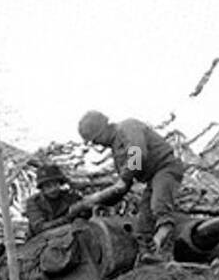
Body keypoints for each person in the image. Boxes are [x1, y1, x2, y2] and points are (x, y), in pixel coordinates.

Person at [77, 110, 186, 263]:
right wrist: (100, 201)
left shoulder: (128, 127)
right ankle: (149, 256)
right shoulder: (116, 150)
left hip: (165, 168)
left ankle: (164, 250)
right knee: (143, 224)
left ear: (102, 130)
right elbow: (123, 187)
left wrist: (124, 178)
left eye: (95, 140)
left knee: (160, 208)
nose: (97, 144)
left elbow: (138, 153)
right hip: (151, 179)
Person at [23, 162, 83, 238]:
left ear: (59, 184)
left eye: (55, 184)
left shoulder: (69, 197)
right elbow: (39, 227)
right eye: (48, 186)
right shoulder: (34, 202)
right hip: (40, 241)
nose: (53, 189)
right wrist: (66, 219)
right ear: (42, 188)